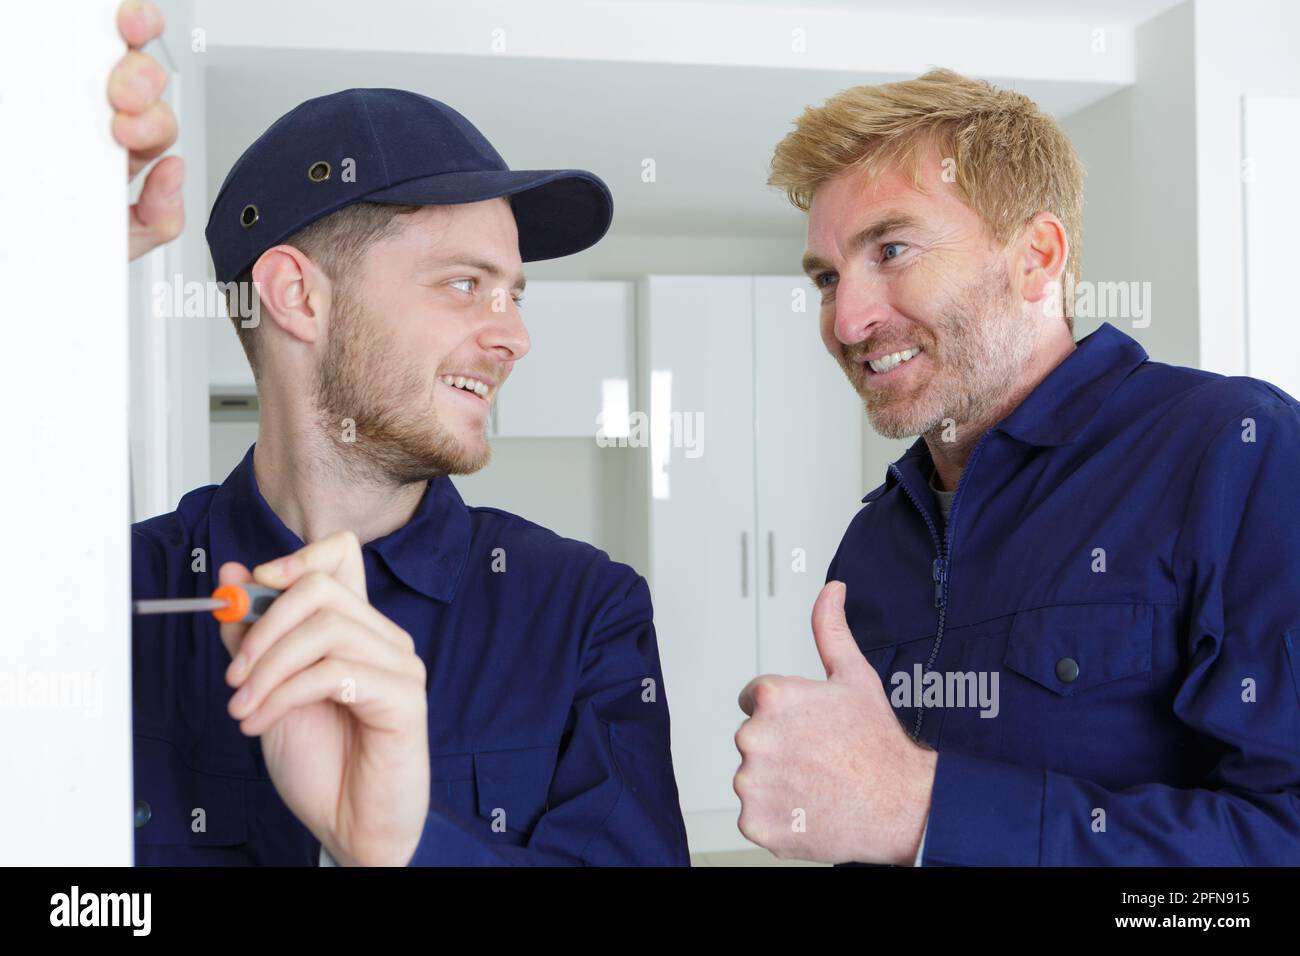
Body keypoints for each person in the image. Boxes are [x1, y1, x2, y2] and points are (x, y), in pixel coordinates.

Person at [112, 1, 688, 866]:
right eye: (464, 283)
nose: (514, 337)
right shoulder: (108, 601)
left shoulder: (582, 611)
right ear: (298, 297)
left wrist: (398, 848)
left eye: (514, 293)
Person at [733, 68, 1300, 866]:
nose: (847, 319)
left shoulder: (1237, 452)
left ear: (1036, 257)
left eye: (892, 249)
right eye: (828, 278)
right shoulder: (873, 541)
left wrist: (926, 811)